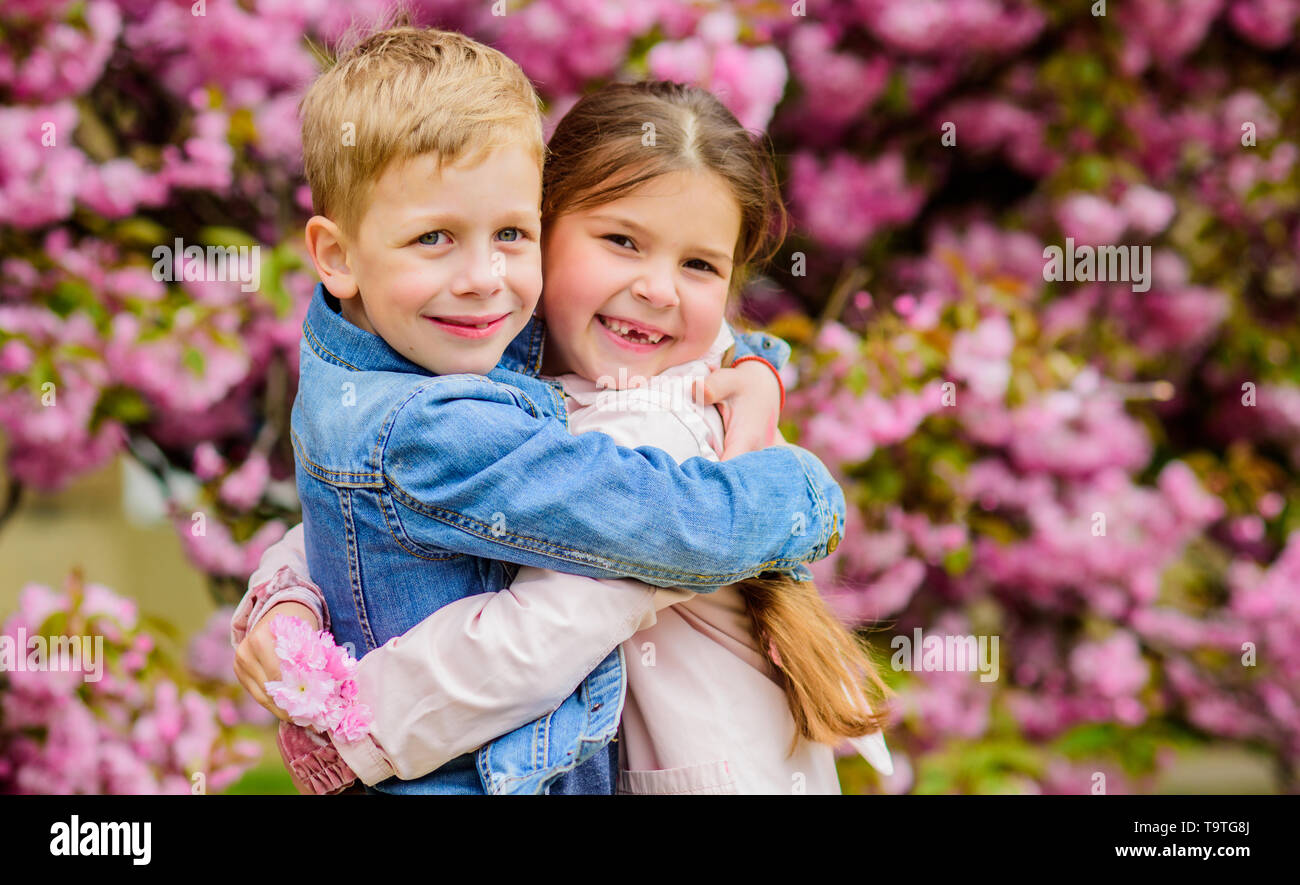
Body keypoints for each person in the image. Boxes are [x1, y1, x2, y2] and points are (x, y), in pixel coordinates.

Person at [231, 26, 850, 795]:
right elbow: (375, 496)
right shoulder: (484, 359)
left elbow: (528, 637)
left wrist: (805, 493)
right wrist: (283, 591)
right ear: (551, 231)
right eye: (622, 241)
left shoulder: (655, 423)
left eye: (698, 265)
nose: (657, 289)